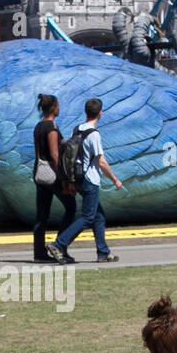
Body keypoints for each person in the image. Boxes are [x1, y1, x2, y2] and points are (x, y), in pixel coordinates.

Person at [45, 98, 124, 264]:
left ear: (86, 112)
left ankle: (103, 252)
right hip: (90, 180)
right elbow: (101, 161)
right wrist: (115, 180)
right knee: (88, 217)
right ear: (100, 113)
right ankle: (59, 244)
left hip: (78, 178)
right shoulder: (94, 135)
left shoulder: (77, 129)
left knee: (98, 216)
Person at [31, 94, 76, 262]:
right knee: (71, 207)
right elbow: (55, 154)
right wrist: (64, 177)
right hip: (51, 174)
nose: (59, 108)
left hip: (39, 173)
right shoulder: (51, 127)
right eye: (58, 105)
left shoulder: (38, 126)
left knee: (42, 214)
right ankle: (60, 246)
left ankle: (39, 252)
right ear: (52, 108)